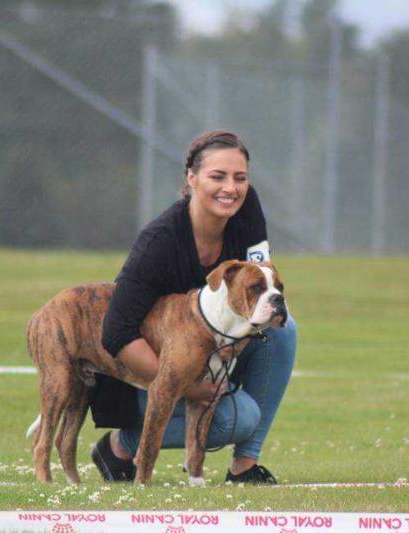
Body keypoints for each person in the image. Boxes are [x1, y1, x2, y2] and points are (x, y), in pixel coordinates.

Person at [92, 130, 297, 484]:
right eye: (218, 176)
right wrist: (184, 387)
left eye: (240, 178)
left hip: (209, 356)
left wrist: (236, 342)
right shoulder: (159, 241)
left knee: (283, 330)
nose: (230, 188)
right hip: (142, 374)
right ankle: (120, 446)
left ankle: (244, 468)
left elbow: (262, 282)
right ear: (192, 178)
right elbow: (116, 332)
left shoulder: (247, 207)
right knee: (235, 420)